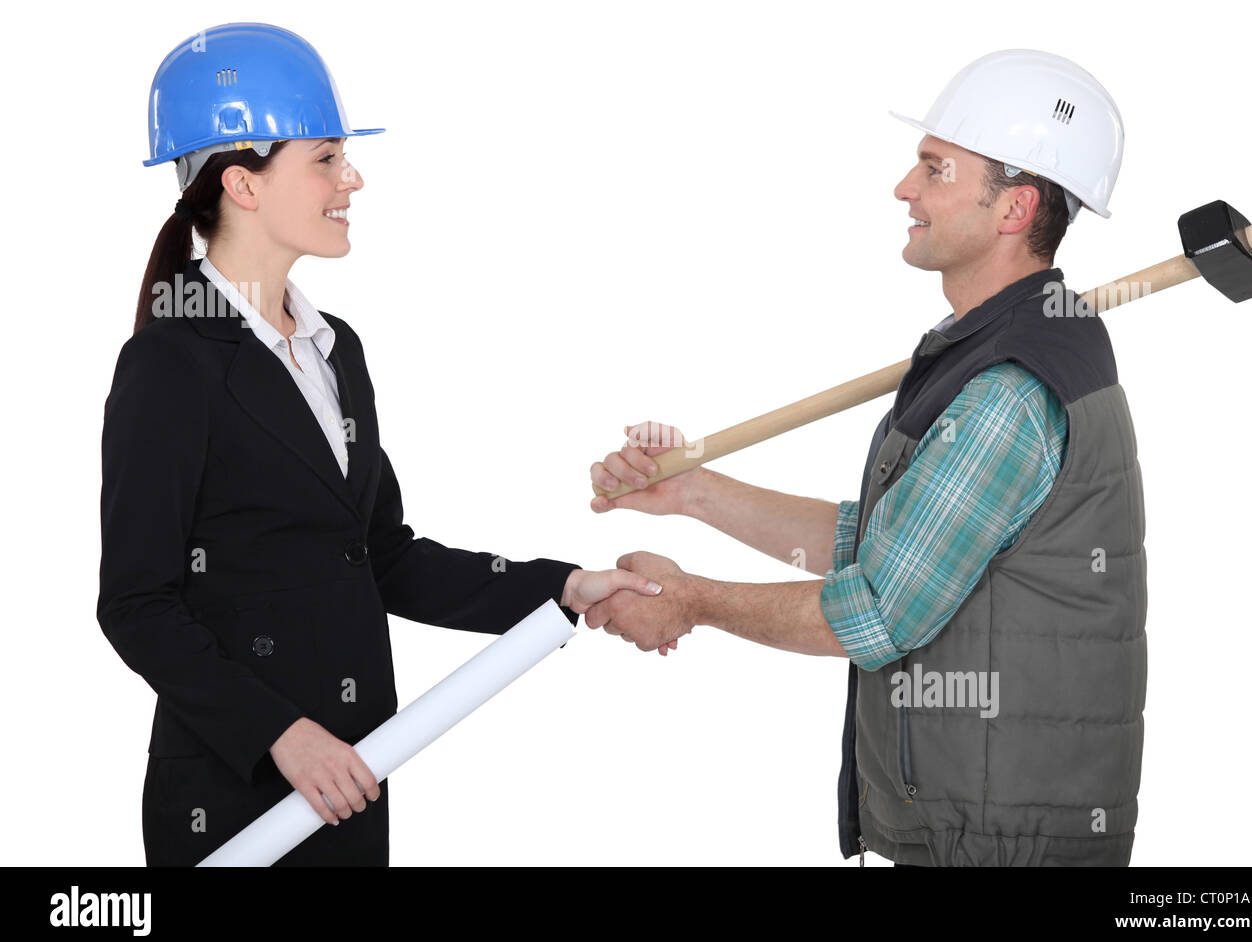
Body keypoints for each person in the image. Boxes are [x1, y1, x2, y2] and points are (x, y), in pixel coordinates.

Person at [97, 22, 660, 867]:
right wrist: (280, 736)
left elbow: (382, 557)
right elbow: (136, 604)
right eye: (326, 158)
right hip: (235, 798)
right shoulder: (170, 362)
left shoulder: (335, 348)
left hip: (356, 776)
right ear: (244, 184)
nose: (351, 179)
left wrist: (566, 586)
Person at [584, 50, 1147, 866]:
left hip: (994, 847)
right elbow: (892, 541)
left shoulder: (1010, 388)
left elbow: (880, 611)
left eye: (935, 169)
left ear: (1014, 207)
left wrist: (691, 601)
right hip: (975, 829)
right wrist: (696, 495)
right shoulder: (993, 351)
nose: (904, 189)